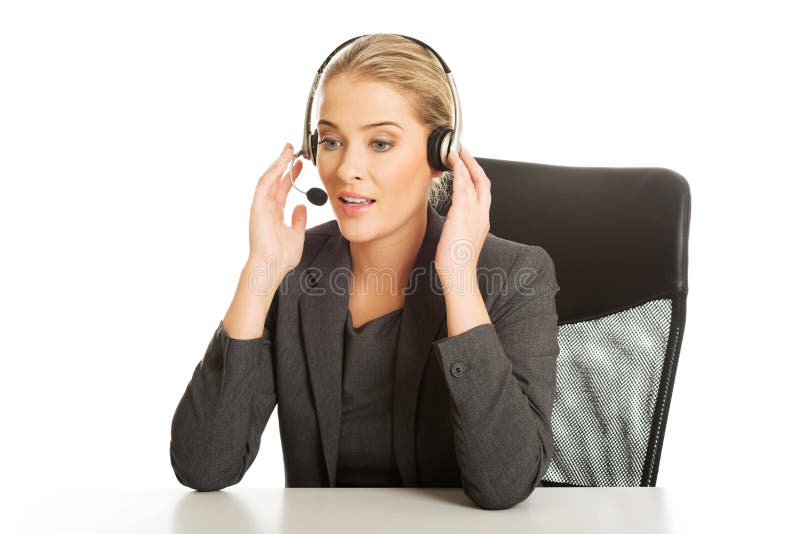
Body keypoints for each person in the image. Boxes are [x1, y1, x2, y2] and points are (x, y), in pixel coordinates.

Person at [169, 33, 560, 510]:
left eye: (380, 143)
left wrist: (458, 279)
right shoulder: (293, 269)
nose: (346, 168)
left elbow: (506, 485)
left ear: (441, 156)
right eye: (331, 141)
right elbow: (204, 465)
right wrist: (260, 273)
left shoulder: (516, 275)